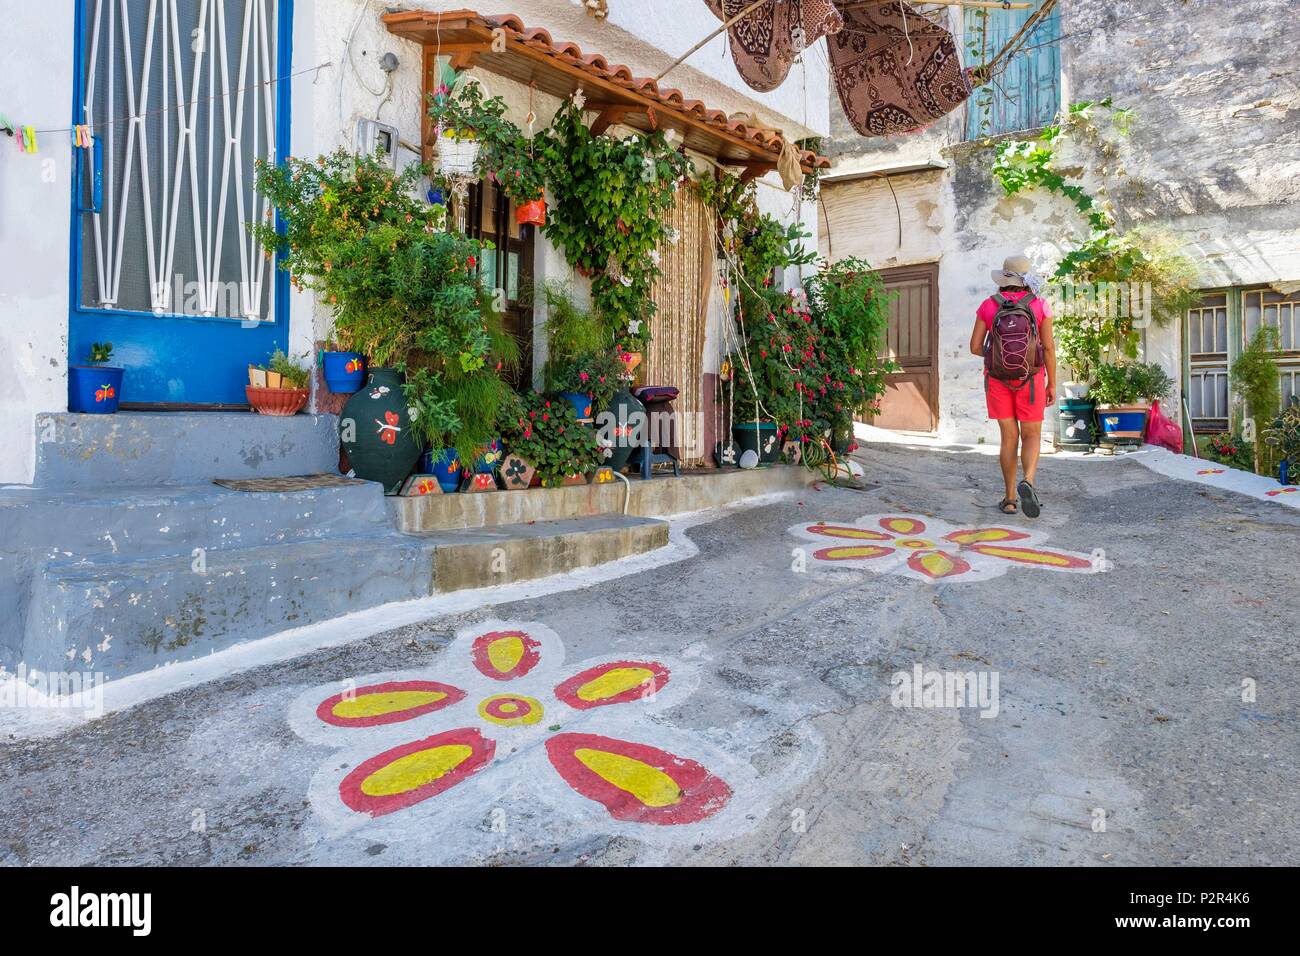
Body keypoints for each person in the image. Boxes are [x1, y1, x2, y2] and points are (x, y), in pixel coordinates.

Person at [969, 255, 1056, 518]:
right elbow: (1049, 348)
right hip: (1031, 380)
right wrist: (1052, 382)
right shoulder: (1040, 305)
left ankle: (1009, 499)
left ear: (1004, 279)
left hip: (997, 380)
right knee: (1031, 435)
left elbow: (974, 347)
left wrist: (996, 355)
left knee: (1009, 437)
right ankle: (1027, 482)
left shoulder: (988, 305)